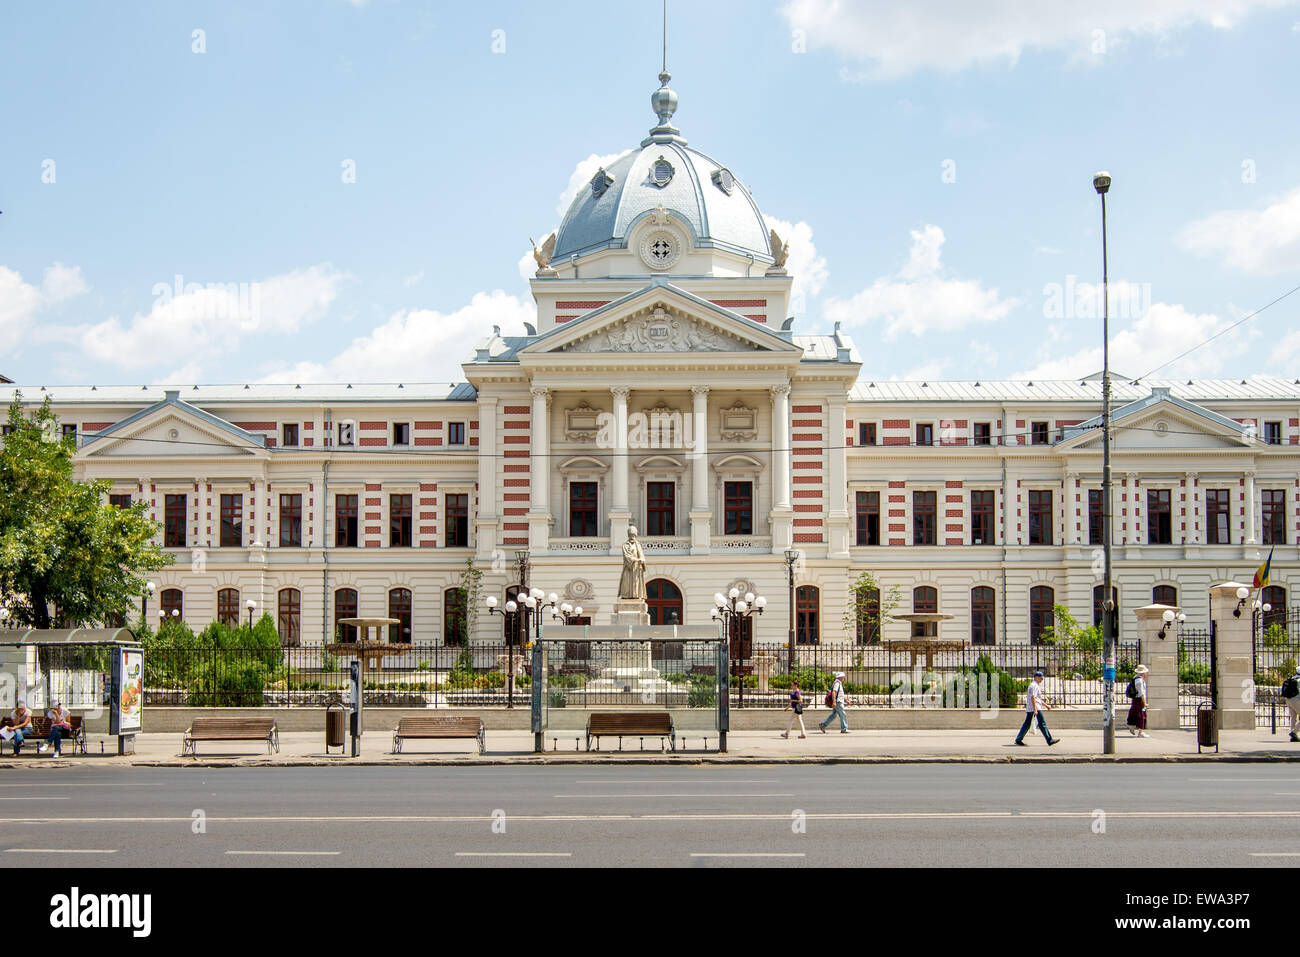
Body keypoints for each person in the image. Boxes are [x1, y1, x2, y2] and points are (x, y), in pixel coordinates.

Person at [1014, 671, 1059, 746]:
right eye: (1040, 678)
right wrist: (1035, 709)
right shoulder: (1034, 685)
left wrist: (1046, 705)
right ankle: (1049, 740)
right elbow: (1033, 697)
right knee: (1042, 723)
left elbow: (1038, 699)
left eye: (1042, 678)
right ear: (1036, 677)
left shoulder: (1035, 685)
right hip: (1034, 708)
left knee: (1027, 724)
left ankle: (1018, 739)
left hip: (1032, 707)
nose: (1042, 679)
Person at [1126, 665, 1150, 738]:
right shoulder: (1139, 681)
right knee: (1142, 714)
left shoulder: (1135, 678)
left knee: (1134, 712)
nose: (1146, 674)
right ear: (1143, 673)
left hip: (1135, 700)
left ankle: (1131, 725)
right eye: (1145, 673)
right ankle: (1140, 732)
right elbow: (1141, 693)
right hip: (1140, 701)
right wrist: (1145, 703)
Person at [1282, 665, 1300, 743]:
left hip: (1288, 700)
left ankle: (1294, 736)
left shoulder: (1292, 678)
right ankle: (1294, 732)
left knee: (1293, 717)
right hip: (1296, 700)